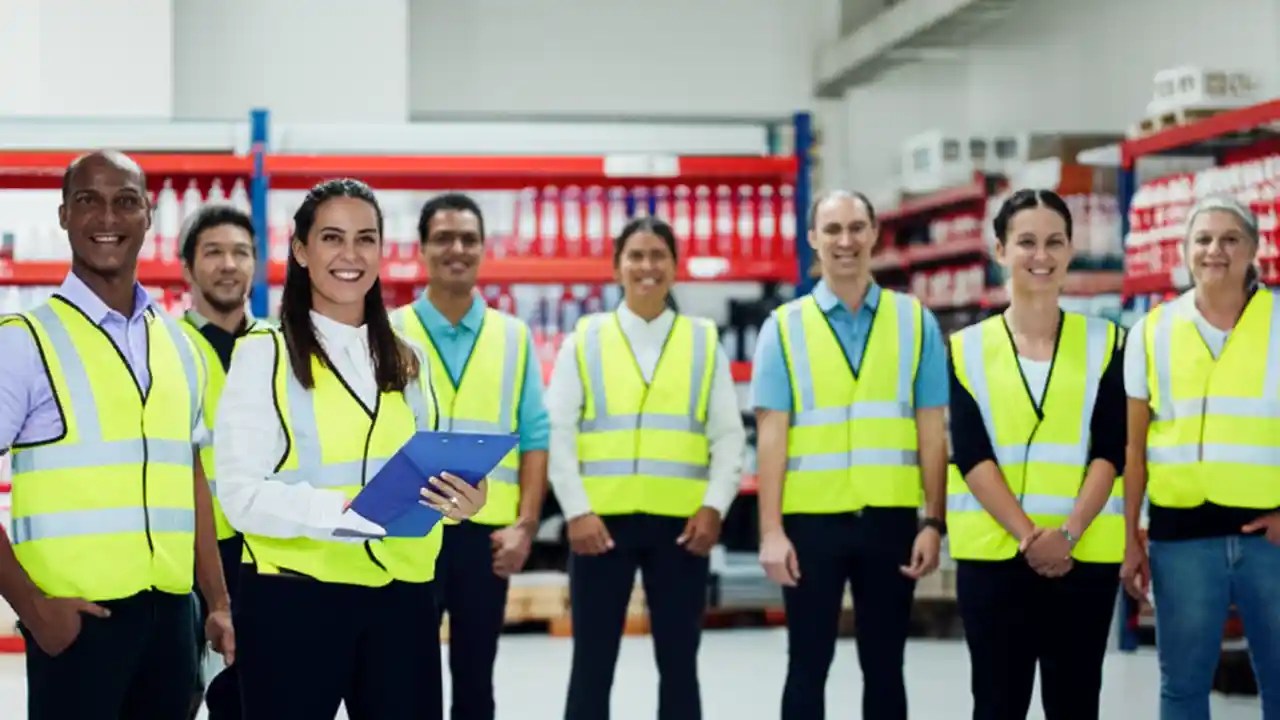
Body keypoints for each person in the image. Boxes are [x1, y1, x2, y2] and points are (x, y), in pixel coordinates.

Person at [212, 178, 487, 719]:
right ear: (300, 250)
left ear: (383, 251)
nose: (350, 255)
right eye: (332, 238)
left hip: (401, 599)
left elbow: (424, 475)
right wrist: (344, 511)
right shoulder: (263, 354)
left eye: (366, 239)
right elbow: (240, 496)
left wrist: (461, 502)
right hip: (295, 600)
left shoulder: (409, 360)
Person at [0, 150, 233, 719]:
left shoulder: (180, 345)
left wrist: (219, 601)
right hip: (78, 626)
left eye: (126, 201)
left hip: (174, 623)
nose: (108, 217)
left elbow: (191, 478)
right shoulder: (24, 342)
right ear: (63, 216)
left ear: (149, 215)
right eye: (89, 200)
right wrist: (33, 609)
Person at [753, 190, 947, 720]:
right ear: (813, 239)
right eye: (832, 230)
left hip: (889, 522)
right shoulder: (784, 328)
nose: (845, 241)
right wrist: (771, 531)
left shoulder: (915, 322)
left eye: (856, 227)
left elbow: (933, 431)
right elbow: (771, 433)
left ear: (875, 233)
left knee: (885, 665)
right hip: (810, 524)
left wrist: (933, 520)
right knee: (807, 663)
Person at [546, 216, 746, 720]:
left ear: (675, 269)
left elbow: (727, 436)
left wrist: (713, 507)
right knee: (592, 665)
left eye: (658, 255)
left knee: (680, 664)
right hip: (600, 529)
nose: (647, 266)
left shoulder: (703, 341)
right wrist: (576, 512)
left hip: (682, 530)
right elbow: (558, 433)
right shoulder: (585, 340)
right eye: (635, 256)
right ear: (617, 268)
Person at [947, 189, 1125, 720]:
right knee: (997, 706)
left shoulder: (1110, 343)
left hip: (1083, 557)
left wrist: (1066, 534)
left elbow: (1111, 450)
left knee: (1075, 705)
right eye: (1026, 242)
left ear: (1071, 250)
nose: (1041, 255)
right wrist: (1031, 537)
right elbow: (971, 456)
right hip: (995, 560)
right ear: (999, 249)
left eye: (1054, 242)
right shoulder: (962, 348)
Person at [389, 192, 549, 720]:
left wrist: (526, 526)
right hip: (408, 528)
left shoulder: (514, 337)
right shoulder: (389, 333)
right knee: (406, 676)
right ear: (422, 249)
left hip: (487, 536)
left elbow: (535, 435)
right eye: (443, 238)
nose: (456, 249)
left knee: (477, 679)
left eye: (468, 239)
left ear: (483, 249)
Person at [1122, 195, 1280, 719]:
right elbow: (1133, 449)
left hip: (1270, 542)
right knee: (1183, 687)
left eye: (1230, 238)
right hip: (1180, 540)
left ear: (1254, 249)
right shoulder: (1151, 331)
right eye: (1203, 239)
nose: (1216, 250)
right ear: (1186, 251)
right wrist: (1129, 540)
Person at [177, 204, 263, 719]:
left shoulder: (282, 346)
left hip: (269, 552)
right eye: (213, 252)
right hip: (191, 556)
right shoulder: (166, 347)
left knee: (258, 701)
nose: (228, 264)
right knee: (183, 697)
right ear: (187, 267)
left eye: (240, 252)